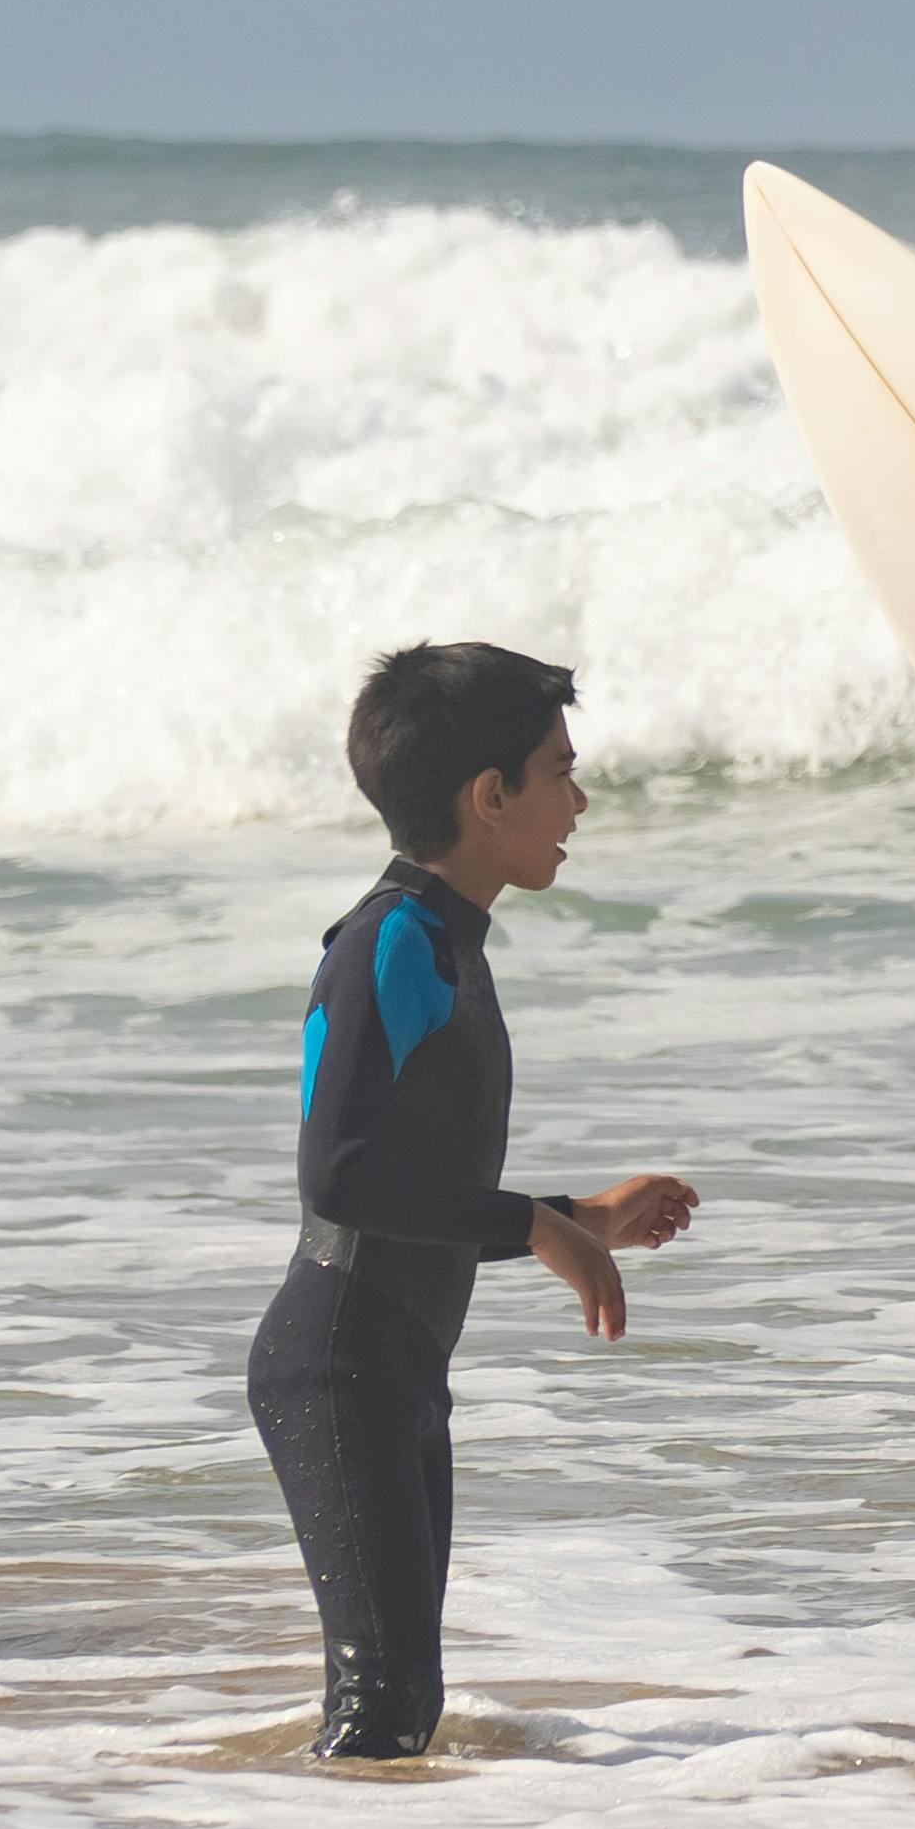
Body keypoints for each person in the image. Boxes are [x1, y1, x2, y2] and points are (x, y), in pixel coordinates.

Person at [250, 641, 697, 1761]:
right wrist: (534, 1226)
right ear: (489, 795)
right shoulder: (386, 941)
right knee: (383, 1701)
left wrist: (580, 1215)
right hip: (341, 1355)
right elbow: (340, 1178)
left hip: (388, 1356)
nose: (578, 801)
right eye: (559, 771)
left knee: (403, 1700)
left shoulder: (445, 941)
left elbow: (413, 1188)